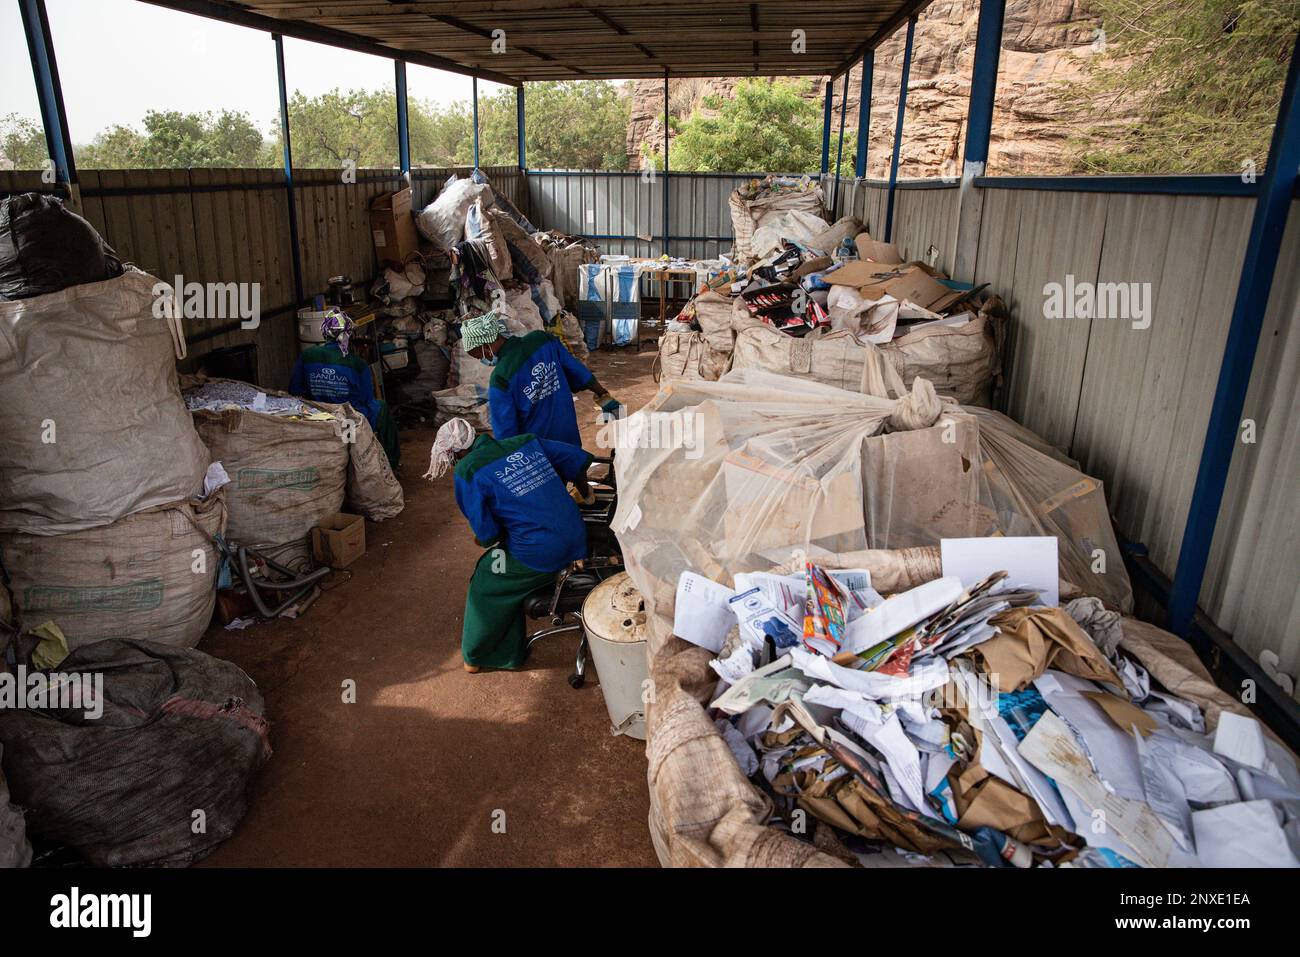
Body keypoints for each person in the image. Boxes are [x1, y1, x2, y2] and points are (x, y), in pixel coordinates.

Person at [426, 417, 594, 673]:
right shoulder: (525, 441)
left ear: (456, 453)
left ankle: (480, 656)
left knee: (487, 577)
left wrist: (484, 536)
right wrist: (586, 493)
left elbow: (488, 536)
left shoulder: (467, 470)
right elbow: (579, 460)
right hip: (576, 535)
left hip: (543, 550)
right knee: (512, 557)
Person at [459, 311, 621, 448]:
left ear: (484, 347)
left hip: (539, 448)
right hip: (567, 432)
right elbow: (576, 370)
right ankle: (583, 486)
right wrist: (603, 395)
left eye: (478, 355)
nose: (482, 359)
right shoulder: (542, 339)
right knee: (575, 466)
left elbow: (505, 432)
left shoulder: (500, 379)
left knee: (553, 481)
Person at [290, 310, 400, 468]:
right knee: (381, 407)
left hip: (320, 415)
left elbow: (295, 389)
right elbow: (366, 399)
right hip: (349, 419)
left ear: (325, 333)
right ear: (348, 335)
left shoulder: (307, 356)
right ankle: (391, 463)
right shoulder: (358, 364)